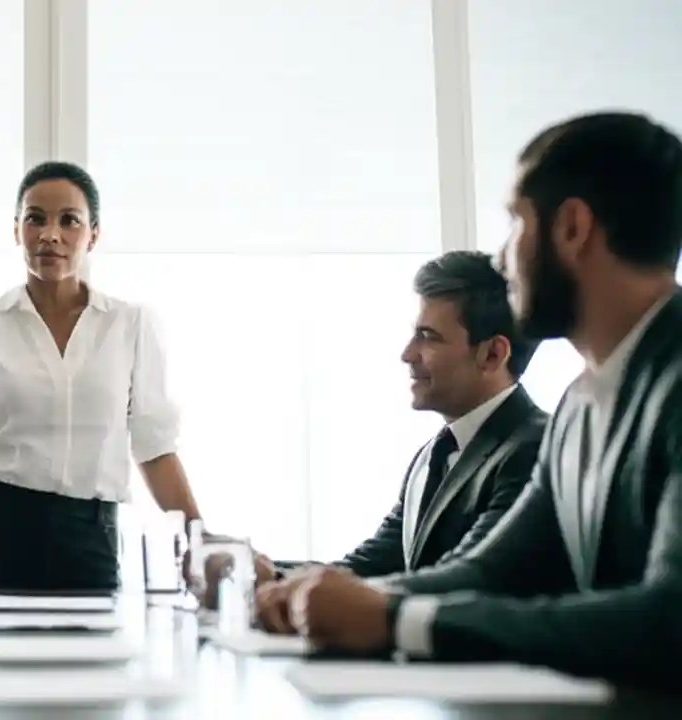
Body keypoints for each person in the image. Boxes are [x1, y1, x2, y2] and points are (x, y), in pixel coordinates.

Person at [267, 111, 682, 686]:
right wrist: (313, 599)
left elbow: (669, 620)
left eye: (515, 224)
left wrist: (399, 620)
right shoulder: (577, 407)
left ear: (572, 228)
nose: (503, 259)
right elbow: (490, 570)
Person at [0, 161, 204, 593]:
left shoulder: (131, 326)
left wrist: (198, 542)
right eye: (35, 219)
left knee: (91, 659)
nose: (50, 234)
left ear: (93, 234)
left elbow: (155, 448)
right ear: (17, 230)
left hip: (90, 539)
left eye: (69, 221)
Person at [254, 252, 546, 591]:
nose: (407, 354)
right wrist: (264, 574)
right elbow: (370, 567)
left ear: (493, 354)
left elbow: (467, 579)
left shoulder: (534, 450)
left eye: (429, 336)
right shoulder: (431, 455)